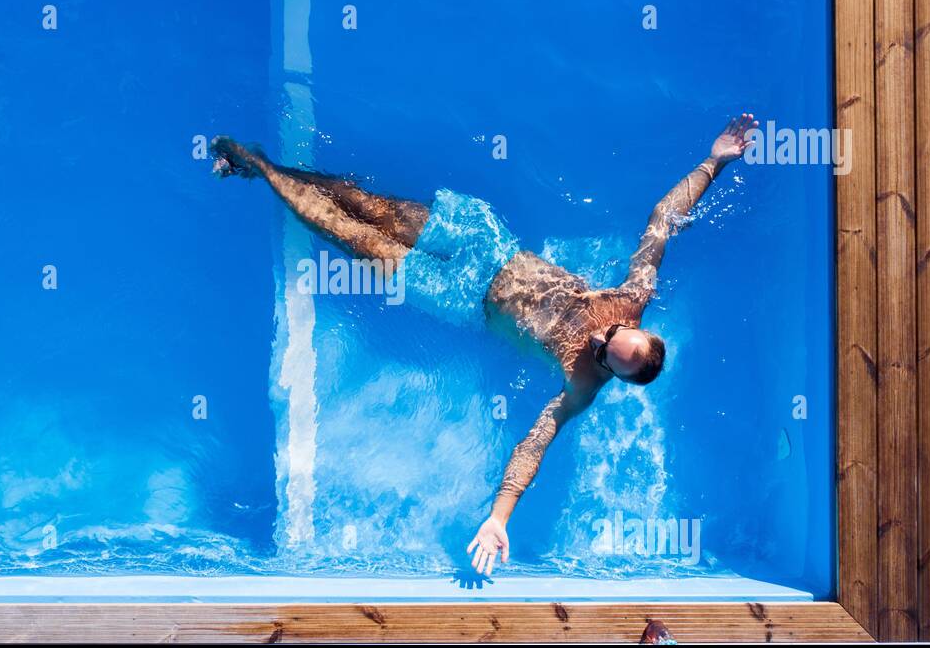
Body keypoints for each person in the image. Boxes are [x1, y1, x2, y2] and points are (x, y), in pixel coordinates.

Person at [210, 113, 757, 575]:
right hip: (485, 239)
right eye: (611, 333)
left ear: (611, 372)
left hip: (456, 294)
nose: (596, 337)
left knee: (349, 233)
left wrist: (499, 518)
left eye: (602, 352)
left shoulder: (583, 384)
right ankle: (271, 167)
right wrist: (714, 161)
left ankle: (257, 166)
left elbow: (534, 445)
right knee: (364, 202)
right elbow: (663, 219)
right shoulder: (633, 295)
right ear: (633, 325)